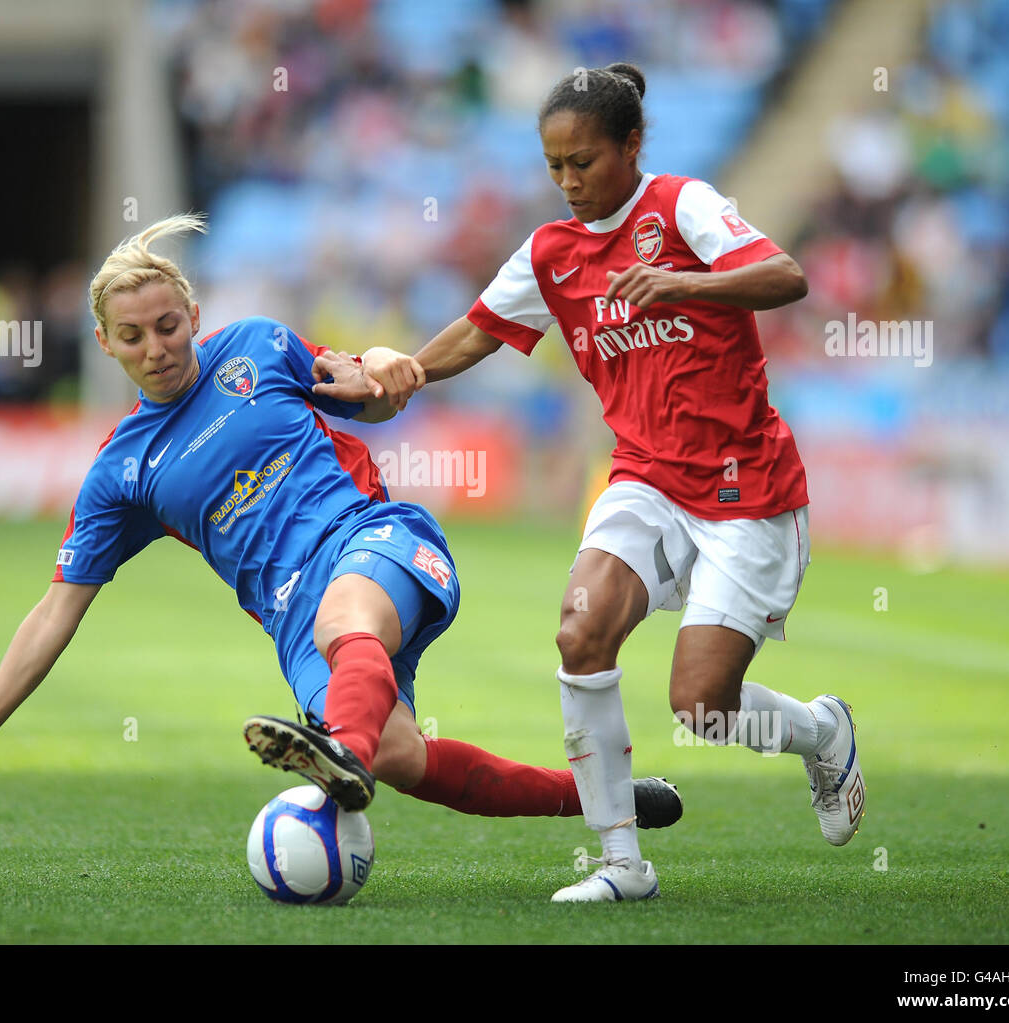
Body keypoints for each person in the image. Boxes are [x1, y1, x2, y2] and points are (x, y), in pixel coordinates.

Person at [0, 214, 683, 842]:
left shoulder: (258, 345)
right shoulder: (119, 472)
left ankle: (337, 748)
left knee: (350, 625)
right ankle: (596, 797)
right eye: (132, 337)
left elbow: (365, 396)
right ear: (105, 343)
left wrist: (383, 369)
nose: (156, 347)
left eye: (168, 324)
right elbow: (57, 607)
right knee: (404, 756)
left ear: (194, 314)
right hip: (294, 621)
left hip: (374, 538)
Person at [360, 63, 865, 903]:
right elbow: (480, 332)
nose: (567, 182)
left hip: (745, 486)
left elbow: (786, 275)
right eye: (554, 165)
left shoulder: (682, 206)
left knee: (703, 707)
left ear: (631, 145)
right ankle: (622, 864)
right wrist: (404, 371)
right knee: (578, 633)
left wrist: (682, 282)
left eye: (583, 161)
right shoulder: (551, 252)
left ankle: (820, 730)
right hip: (645, 477)